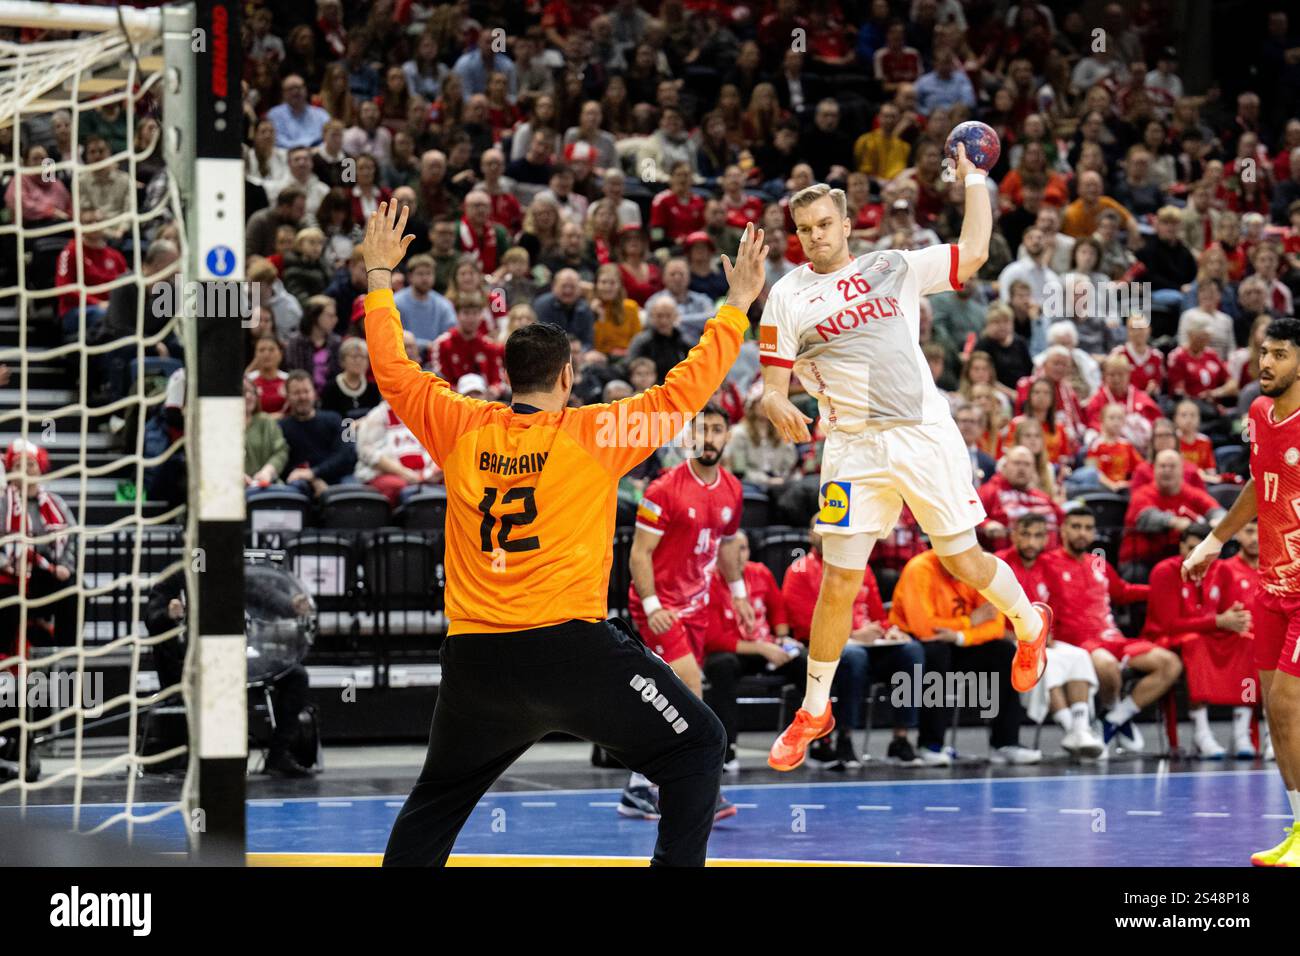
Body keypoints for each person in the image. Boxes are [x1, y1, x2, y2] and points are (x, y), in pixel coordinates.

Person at [363, 201, 770, 867]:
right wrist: (736, 305)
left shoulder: (460, 425)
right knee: (696, 746)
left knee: (435, 804)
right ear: (566, 377)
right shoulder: (594, 433)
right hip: (569, 654)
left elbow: (394, 371)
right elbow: (680, 393)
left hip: (477, 662)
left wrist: (379, 274)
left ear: (508, 378)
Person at [757, 158, 1051, 774]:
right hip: (852, 447)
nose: (815, 236)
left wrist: (974, 177)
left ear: (845, 223)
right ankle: (814, 709)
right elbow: (772, 386)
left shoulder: (891, 267)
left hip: (921, 433)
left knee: (962, 561)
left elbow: (973, 249)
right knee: (839, 579)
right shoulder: (786, 295)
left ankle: (1028, 624)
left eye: (824, 223)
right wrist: (778, 402)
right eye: (804, 228)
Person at [1182, 317, 1300, 866]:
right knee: (1278, 715)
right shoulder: (1257, 413)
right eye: (1262, 353)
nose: (1266, 363)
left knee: (1284, 703)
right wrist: (1213, 541)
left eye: (1279, 353)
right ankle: (1299, 830)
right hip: (1271, 585)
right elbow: (1259, 481)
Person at [622, 405, 746, 822]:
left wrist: (740, 592)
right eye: (701, 430)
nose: (709, 438)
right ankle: (699, 790)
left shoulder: (732, 488)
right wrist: (653, 606)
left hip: (698, 608)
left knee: (669, 702)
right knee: (692, 694)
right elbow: (640, 554)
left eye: (716, 430)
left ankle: (639, 786)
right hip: (660, 608)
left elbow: (728, 546)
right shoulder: (663, 490)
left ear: (727, 436)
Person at [1039, 507, 1174, 754]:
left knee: (1169, 664)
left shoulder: (1098, 562)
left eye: (1088, 528)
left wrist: (1159, 590)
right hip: (1077, 642)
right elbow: (1036, 597)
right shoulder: (1047, 562)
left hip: (1112, 637)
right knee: (1107, 665)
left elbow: (1122, 591)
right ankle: (1112, 711)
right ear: (1063, 530)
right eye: (1076, 527)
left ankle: (1113, 719)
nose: (1082, 533)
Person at [889, 548, 1041, 765]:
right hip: (918, 643)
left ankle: (1006, 743)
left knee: (1004, 651)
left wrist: (960, 636)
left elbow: (995, 626)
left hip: (959, 642)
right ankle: (930, 744)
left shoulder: (978, 568)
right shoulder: (919, 568)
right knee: (937, 655)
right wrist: (970, 621)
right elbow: (923, 628)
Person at [1145, 522, 1257, 758]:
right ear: (1181, 547)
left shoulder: (1222, 570)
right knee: (1194, 642)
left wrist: (1235, 617)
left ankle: (1242, 731)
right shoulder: (1165, 571)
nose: (1198, 556)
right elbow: (1169, 624)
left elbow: (1227, 612)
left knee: (1247, 640)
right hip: (1167, 638)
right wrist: (1218, 621)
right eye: (1192, 549)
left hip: (1207, 633)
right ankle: (1201, 732)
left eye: (1204, 550)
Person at [996, 513, 1104, 758]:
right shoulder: (1000, 565)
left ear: (1047, 539)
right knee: (1046, 660)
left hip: (1040, 638)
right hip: (1007, 639)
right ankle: (1070, 729)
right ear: (1013, 536)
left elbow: (1054, 607)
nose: (1031, 542)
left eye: (1038, 536)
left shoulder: (1048, 567)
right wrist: (1016, 638)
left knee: (1078, 656)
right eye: (1026, 535)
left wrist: (1049, 633)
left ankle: (1079, 729)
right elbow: (989, 617)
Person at [277, 370, 357, 498]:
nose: (302, 397)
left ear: (314, 393)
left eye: (306, 391)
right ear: (288, 396)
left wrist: (315, 472)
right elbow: (283, 464)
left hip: (338, 477)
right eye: (297, 393)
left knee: (353, 490)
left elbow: (347, 454)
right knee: (293, 488)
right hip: (301, 481)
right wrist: (313, 479)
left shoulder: (336, 419)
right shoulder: (281, 427)